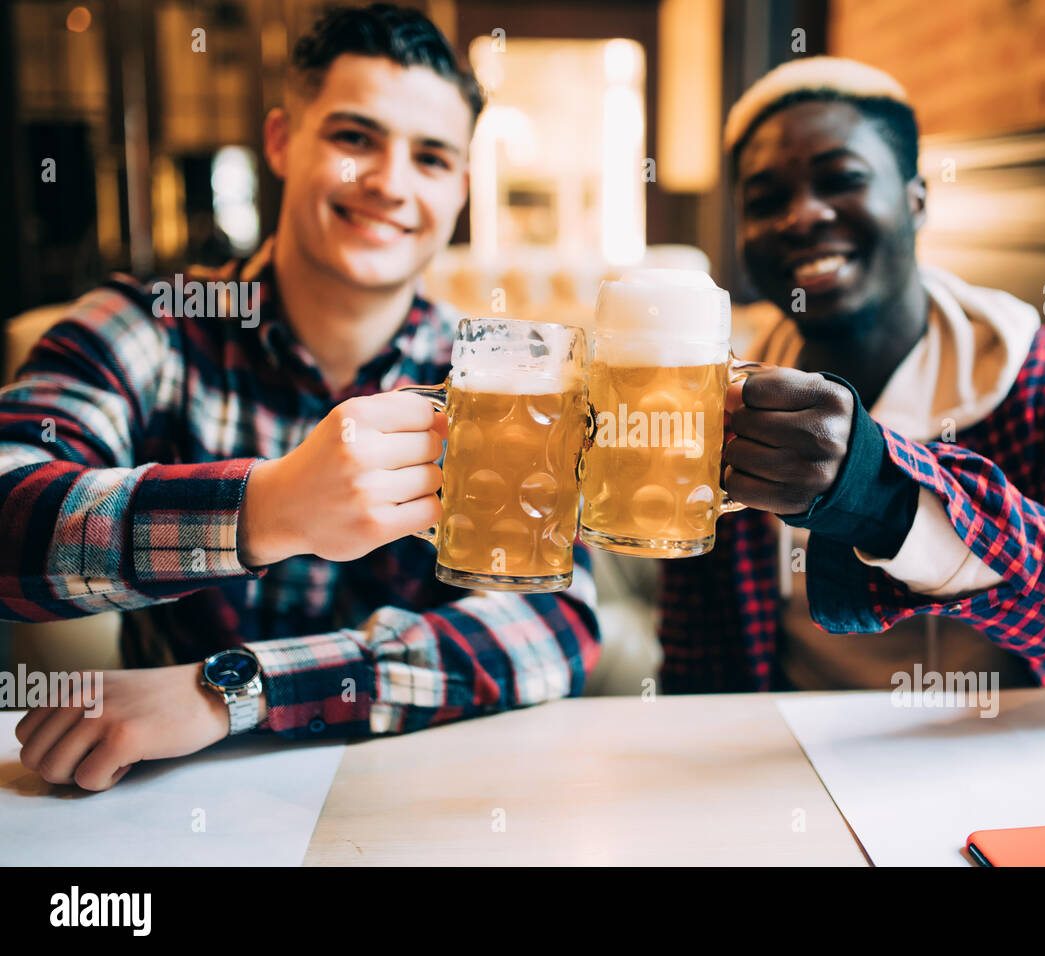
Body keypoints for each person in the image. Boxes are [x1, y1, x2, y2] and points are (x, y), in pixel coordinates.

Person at [0, 4, 599, 791]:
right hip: (161, 801)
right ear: (282, 141)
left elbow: (554, 622)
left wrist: (235, 689)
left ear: (458, 188)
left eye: (430, 157)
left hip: (415, 795)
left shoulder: (495, 378)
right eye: (355, 139)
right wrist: (270, 506)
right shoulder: (155, 325)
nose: (389, 182)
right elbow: (9, 511)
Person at [658, 57, 1045, 692]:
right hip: (790, 769)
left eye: (841, 179)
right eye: (765, 201)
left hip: (1010, 762)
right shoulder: (711, 395)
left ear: (916, 202)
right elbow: (694, 669)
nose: (802, 216)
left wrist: (887, 497)